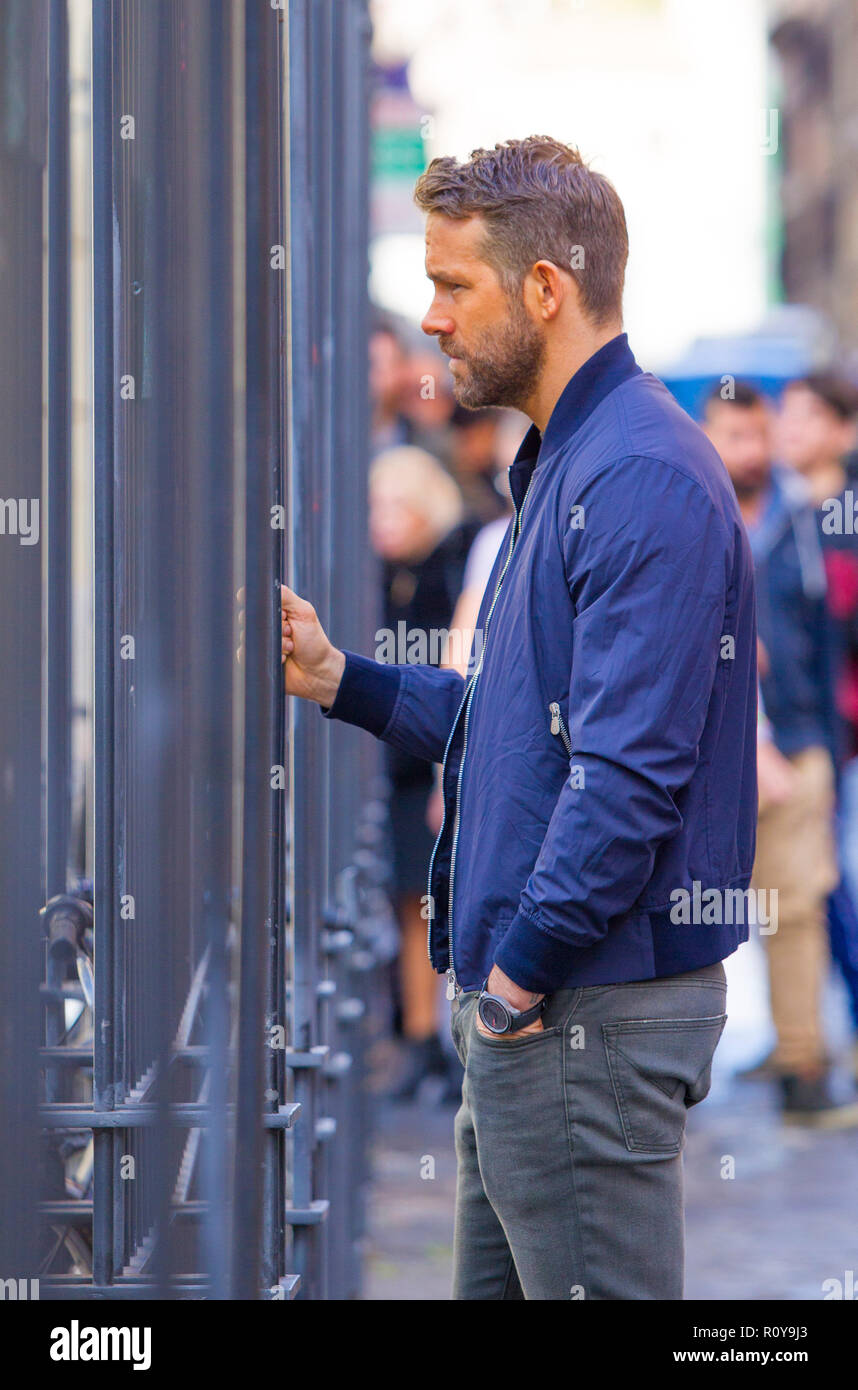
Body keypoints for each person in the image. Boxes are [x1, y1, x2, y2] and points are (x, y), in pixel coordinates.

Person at [273, 136, 758, 1300]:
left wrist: (514, 988)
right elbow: (517, 729)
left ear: (545, 288)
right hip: (550, 1017)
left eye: (454, 285)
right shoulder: (577, 460)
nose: (432, 317)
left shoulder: (634, 473)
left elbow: (625, 781)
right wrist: (343, 675)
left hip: (577, 1016)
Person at [703, 381, 858, 1125]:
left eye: (758, 435)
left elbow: (824, 645)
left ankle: (802, 1063)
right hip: (713, 748)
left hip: (796, 742)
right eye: (734, 437)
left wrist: (824, 748)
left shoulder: (807, 519)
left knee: (796, 904)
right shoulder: (697, 511)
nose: (752, 451)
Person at [368, 446, 478, 1101]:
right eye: (376, 508)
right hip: (399, 766)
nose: (383, 522)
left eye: (396, 507)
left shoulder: (453, 565)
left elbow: (454, 675)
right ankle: (418, 1039)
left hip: (439, 759)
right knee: (407, 901)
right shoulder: (379, 574)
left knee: (446, 900)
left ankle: (453, 1039)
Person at [776, 372, 858, 1068]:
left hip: (842, 739)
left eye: (806, 417)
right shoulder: (791, 520)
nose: (788, 429)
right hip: (823, 739)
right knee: (827, 891)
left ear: (843, 428)